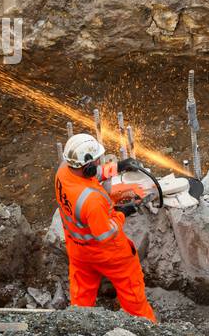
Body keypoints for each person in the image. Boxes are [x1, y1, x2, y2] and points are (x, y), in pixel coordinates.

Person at [54, 133, 157, 323]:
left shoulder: (63, 172)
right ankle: (147, 327)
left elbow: (92, 175)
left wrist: (117, 168)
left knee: (81, 301)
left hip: (78, 251)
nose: (96, 164)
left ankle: (79, 329)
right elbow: (105, 234)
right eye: (94, 161)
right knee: (132, 295)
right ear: (87, 166)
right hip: (109, 255)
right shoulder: (92, 200)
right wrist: (122, 213)